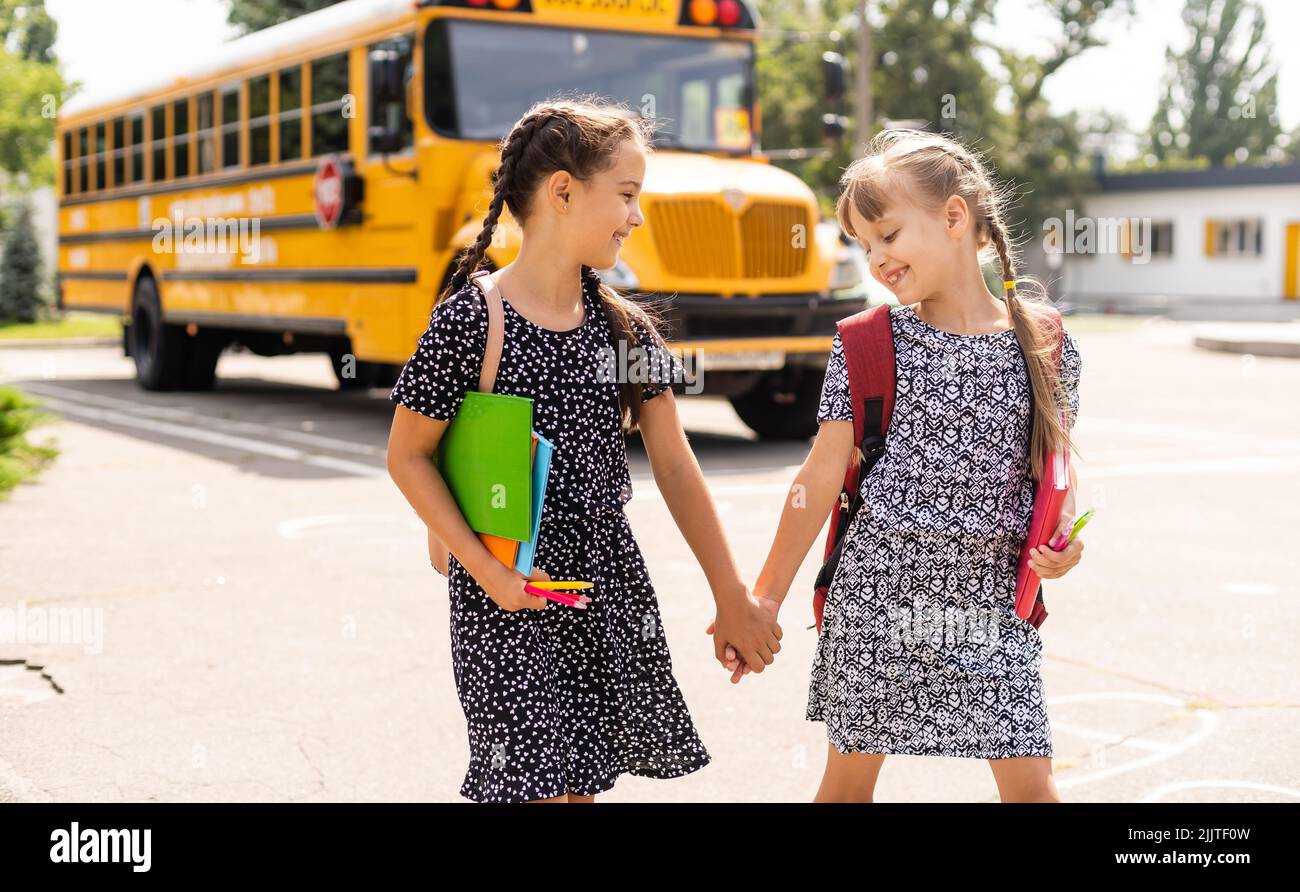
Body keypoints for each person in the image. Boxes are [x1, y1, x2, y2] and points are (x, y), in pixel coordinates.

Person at [385, 96, 782, 803]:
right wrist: (487, 573)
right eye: (626, 195)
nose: (636, 215)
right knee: (535, 786)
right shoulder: (473, 320)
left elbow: (674, 464)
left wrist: (730, 595)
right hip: (504, 588)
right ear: (563, 191)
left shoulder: (622, 329)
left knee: (576, 790)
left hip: (602, 586)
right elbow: (407, 456)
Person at [722, 129, 1085, 802]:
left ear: (954, 217)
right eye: (865, 245)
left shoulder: (1049, 346)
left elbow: (1053, 479)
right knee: (848, 788)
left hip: (990, 611)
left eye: (887, 234)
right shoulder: (867, 344)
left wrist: (1064, 542)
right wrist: (764, 598)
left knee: (1033, 786)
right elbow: (818, 478)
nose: (877, 258)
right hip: (876, 607)